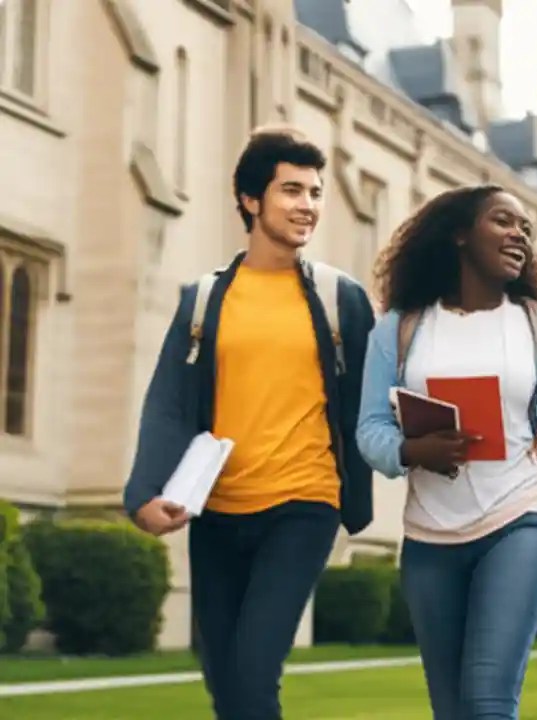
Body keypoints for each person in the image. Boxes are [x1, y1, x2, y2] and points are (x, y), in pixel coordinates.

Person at [355, 183, 537, 719]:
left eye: (526, 229)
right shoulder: (400, 327)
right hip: (430, 537)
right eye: (504, 222)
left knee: (487, 701)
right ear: (460, 234)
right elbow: (369, 428)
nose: (519, 235)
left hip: (518, 519)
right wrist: (412, 449)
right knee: (452, 709)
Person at [122, 125, 376, 720]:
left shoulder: (342, 298)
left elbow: (374, 398)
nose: (307, 206)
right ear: (250, 199)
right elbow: (169, 403)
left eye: (315, 193)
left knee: (253, 671)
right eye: (291, 190)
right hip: (217, 510)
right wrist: (142, 494)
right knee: (224, 682)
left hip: (304, 503)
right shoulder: (204, 300)